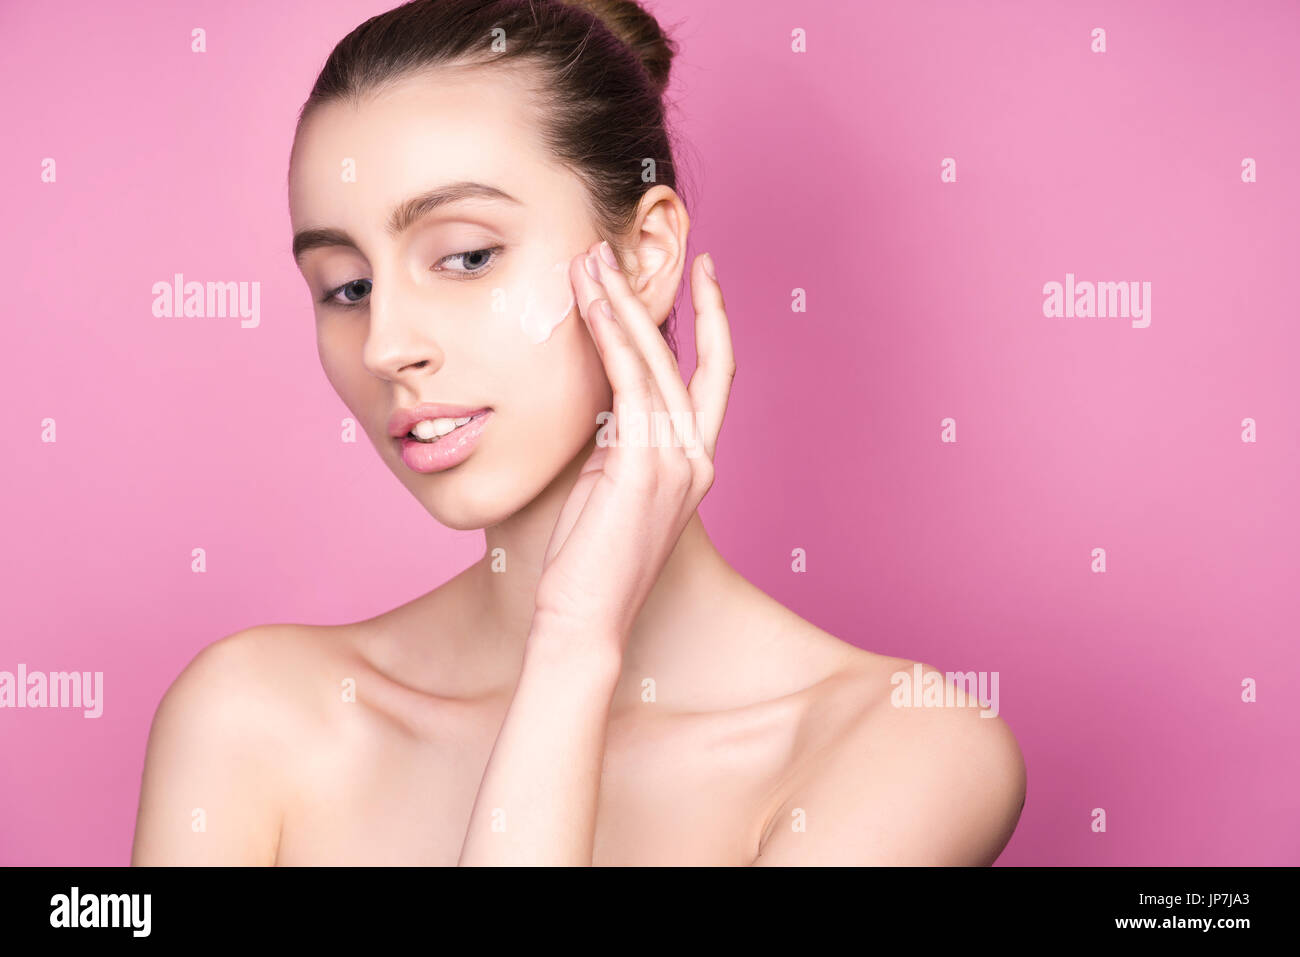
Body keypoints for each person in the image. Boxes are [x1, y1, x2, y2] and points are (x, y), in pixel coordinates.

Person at [132, 0, 1025, 866]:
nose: (387, 345)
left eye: (468, 255)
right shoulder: (251, 720)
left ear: (644, 256)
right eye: (346, 286)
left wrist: (573, 645)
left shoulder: (901, 750)